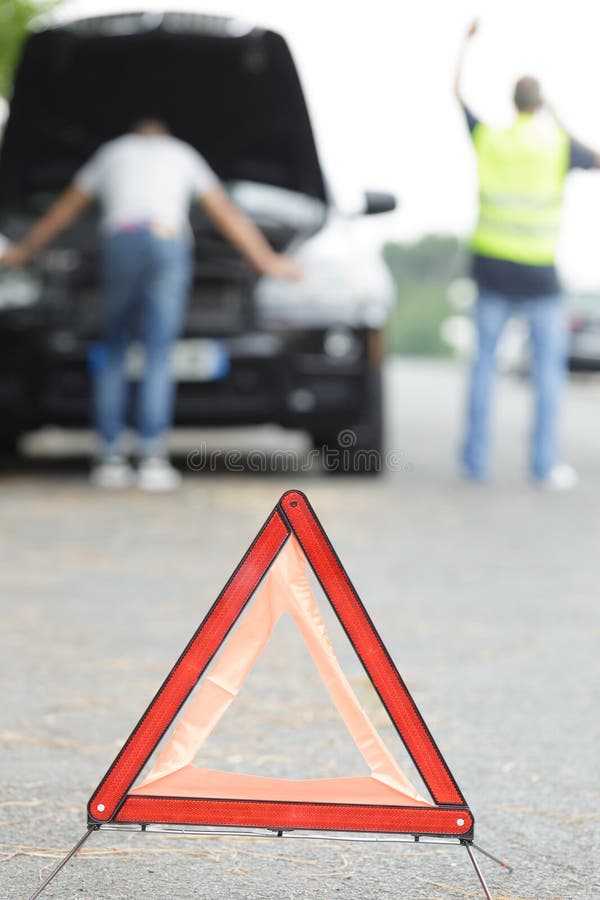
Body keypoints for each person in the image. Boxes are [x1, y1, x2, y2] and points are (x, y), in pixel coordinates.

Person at [1, 118, 301, 490]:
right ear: (164, 132)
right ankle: (151, 457)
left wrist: (23, 250)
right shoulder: (182, 154)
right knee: (158, 351)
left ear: (135, 131)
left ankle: (110, 456)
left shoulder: (112, 153)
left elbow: (66, 209)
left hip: (122, 240)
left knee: (114, 347)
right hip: (167, 239)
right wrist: (267, 260)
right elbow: (225, 213)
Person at [455, 20, 600, 489]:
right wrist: (556, 116)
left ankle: (475, 464)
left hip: (492, 269)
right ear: (539, 104)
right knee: (547, 376)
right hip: (538, 275)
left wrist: (466, 43)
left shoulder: (492, 139)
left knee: (483, 369)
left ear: (513, 103)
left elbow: (457, 94)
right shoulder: (555, 146)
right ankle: (543, 465)